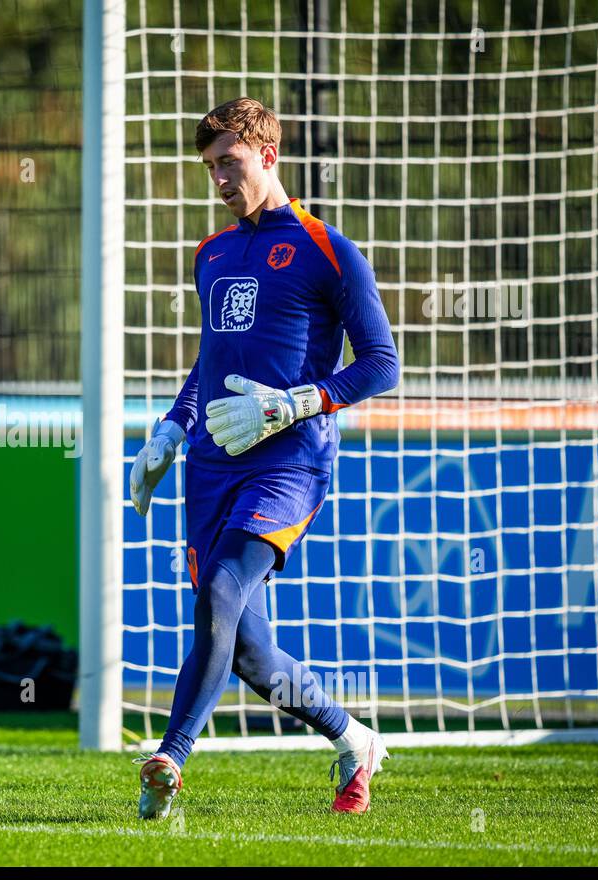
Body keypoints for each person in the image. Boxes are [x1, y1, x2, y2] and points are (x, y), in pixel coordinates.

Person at [129, 97, 401, 817]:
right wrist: (171, 426)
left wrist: (294, 403)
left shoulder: (327, 249)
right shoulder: (211, 253)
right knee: (250, 654)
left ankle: (171, 755)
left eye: (230, 162)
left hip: (289, 466)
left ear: (268, 155)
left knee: (220, 588)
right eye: (211, 166)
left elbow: (381, 364)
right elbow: (210, 362)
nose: (219, 177)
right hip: (210, 468)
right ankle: (355, 739)